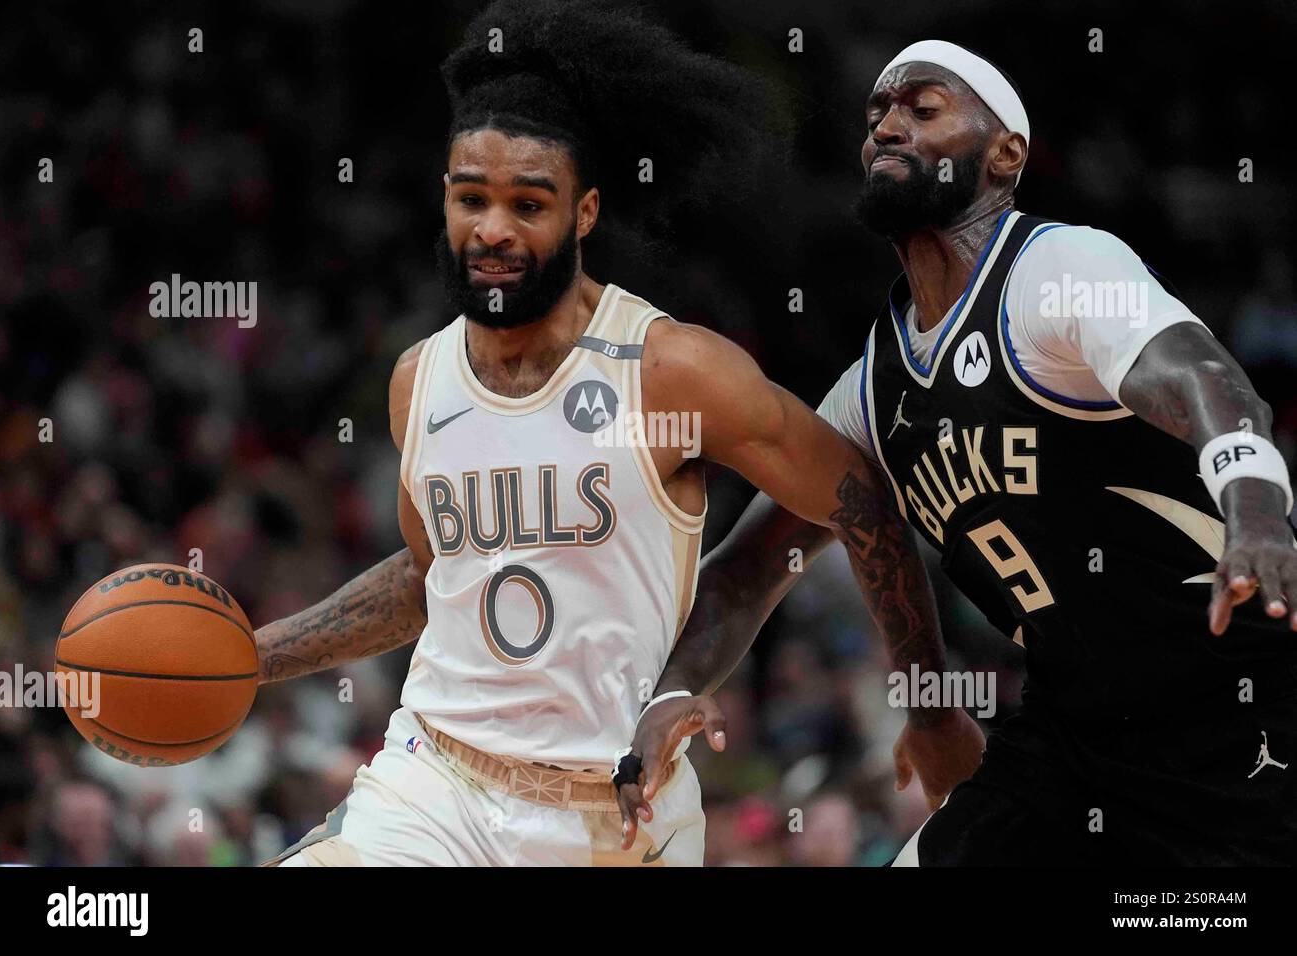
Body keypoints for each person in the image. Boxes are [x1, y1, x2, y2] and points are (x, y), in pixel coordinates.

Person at [250, 5, 978, 867]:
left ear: (586, 211)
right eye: (470, 198)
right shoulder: (419, 380)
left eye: (529, 203)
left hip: (616, 817)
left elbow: (863, 503)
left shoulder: (669, 369)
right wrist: (254, 658)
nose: (492, 230)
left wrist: (928, 705)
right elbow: (432, 576)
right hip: (432, 787)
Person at [621, 40, 1297, 865]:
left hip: (1241, 712)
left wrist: (1256, 506)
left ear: (1006, 153)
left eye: (923, 108)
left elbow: (1206, 381)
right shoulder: (870, 392)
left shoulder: (1058, 268)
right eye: (876, 117)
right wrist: (676, 692)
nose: (888, 127)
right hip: (1068, 743)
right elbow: (748, 567)